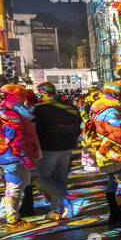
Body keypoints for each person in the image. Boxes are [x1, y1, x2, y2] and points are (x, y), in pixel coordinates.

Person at [0, 84, 41, 227]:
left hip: (2, 155)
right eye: (22, 95)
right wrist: (25, 158)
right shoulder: (11, 114)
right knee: (15, 187)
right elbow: (15, 140)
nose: (24, 98)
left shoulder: (4, 111)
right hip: (12, 156)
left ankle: (0, 217)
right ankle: (13, 220)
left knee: (12, 187)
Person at [87, 82, 121, 228]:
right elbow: (118, 131)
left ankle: (115, 213)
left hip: (104, 151)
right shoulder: (111, 111)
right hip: (113, 152)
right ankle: (120, 211)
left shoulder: (98, 108)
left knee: (112, 182)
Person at [32, 81, 84, 220]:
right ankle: (57, 210)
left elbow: (33, 129)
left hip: (49, 147)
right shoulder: (70, 107)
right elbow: (79, 125)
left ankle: (69, 200)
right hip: (67, 147)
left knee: (42, 177)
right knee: (61, 178)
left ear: (42, 92)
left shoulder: (40, 109)